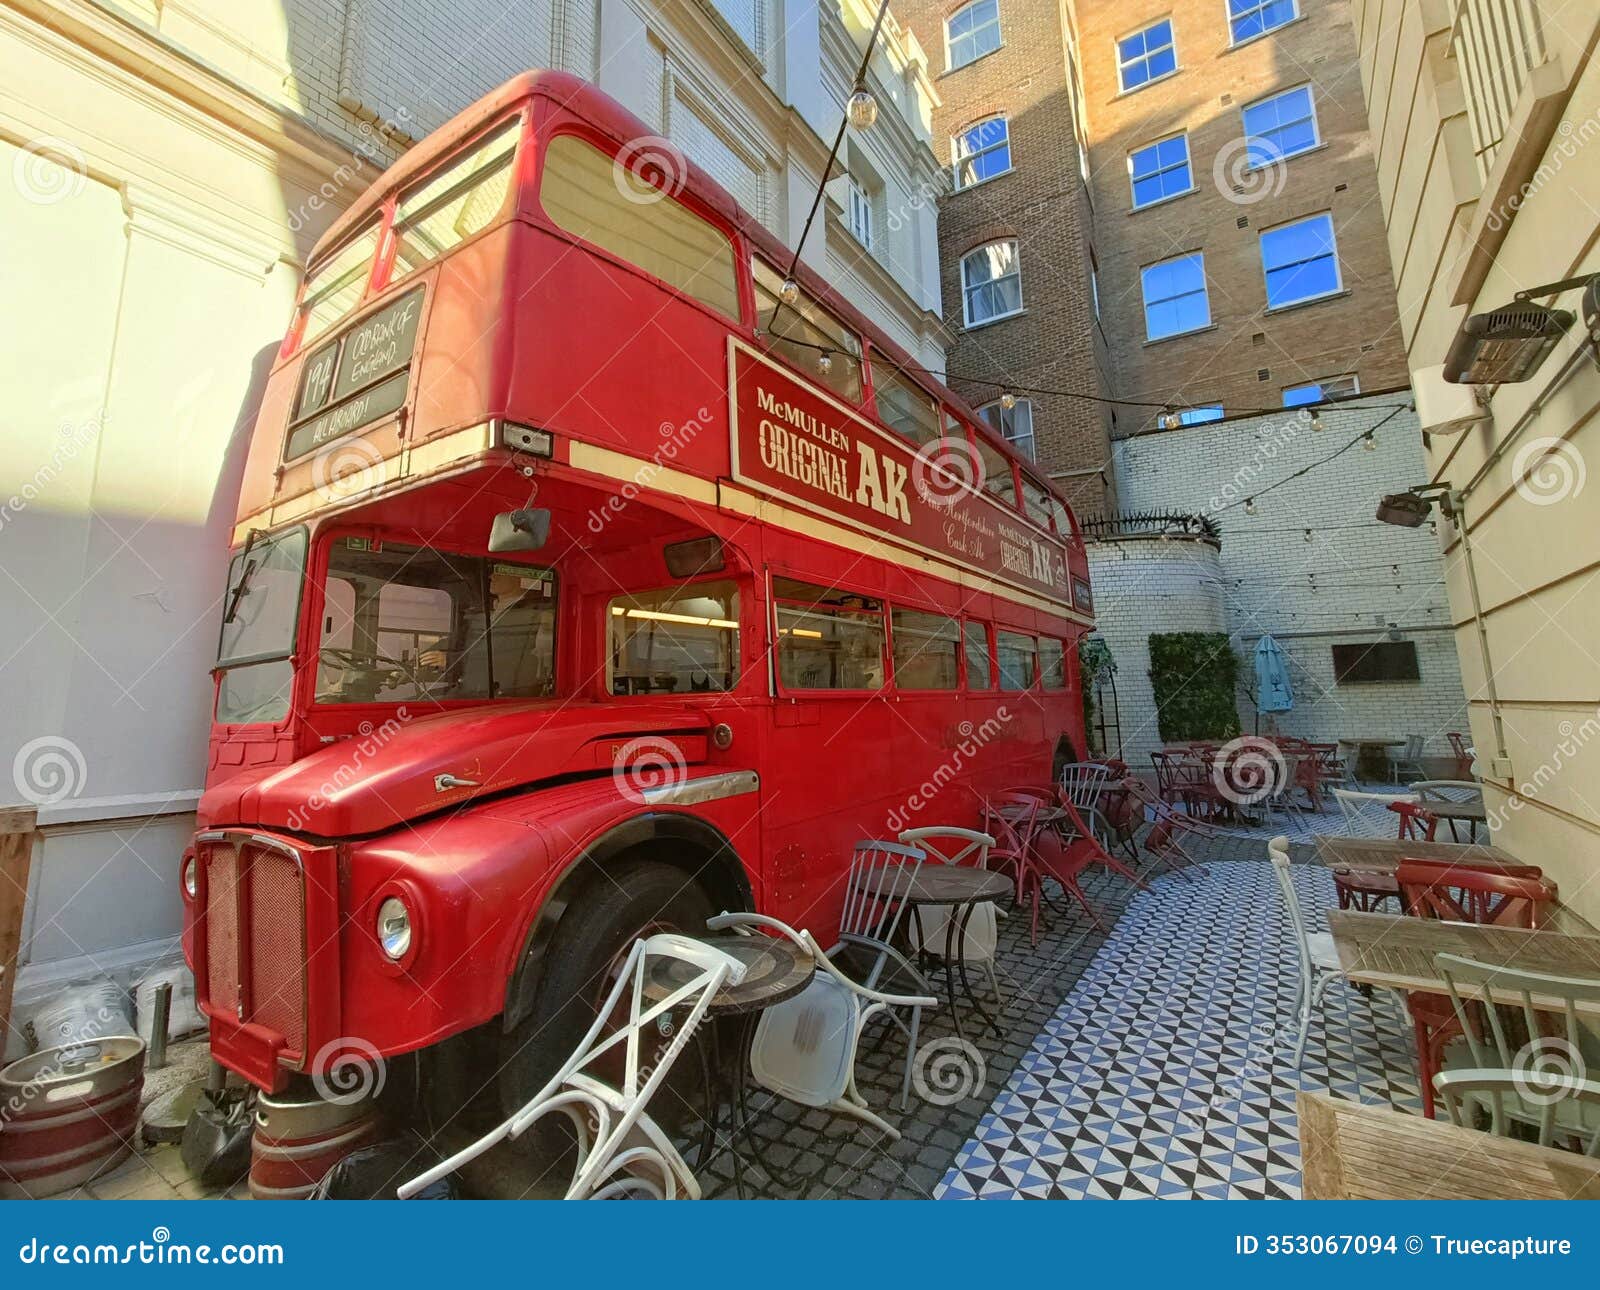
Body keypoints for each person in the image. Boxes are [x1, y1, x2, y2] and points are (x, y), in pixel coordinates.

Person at [419, 569, 554, 697]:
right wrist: (421, 659)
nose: (492, 576)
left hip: (498, 694)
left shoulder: (533, 615)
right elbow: (460, 641)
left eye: (500, 571)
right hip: (472, 687)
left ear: (520, 577)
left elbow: (505, 657)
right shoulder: (483, 610)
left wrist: (450, 660)